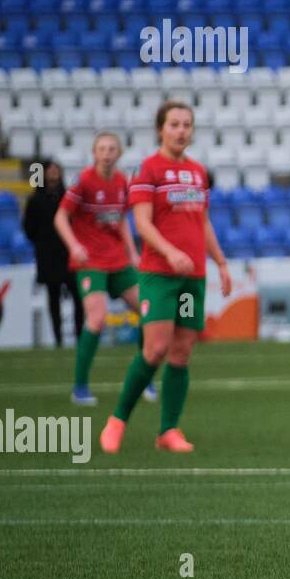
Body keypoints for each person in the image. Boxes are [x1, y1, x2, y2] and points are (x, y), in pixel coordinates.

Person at [100, 101, 231, 454]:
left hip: (193, 278)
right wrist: (171, 252)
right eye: (174, 124)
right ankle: (117, 420)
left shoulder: (198, 172)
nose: (181, 130)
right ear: (161, 129)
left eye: (187, 124)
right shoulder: (148, 170)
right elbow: (141, 222)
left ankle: (168, 431)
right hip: (160, 274)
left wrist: (220, 262)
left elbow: (202, 222)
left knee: (181, 351)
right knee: (155, 348)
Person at [54, 132, 156, 407]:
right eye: (102, 148)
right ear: (94, 152)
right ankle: (80, 387)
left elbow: (121, 219)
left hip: (118, 261)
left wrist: (132, 252)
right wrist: (74, 245)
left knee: (148, 310)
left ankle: (145, 379)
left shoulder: (123, 181)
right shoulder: (84, 181)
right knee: (97, 319)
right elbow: (61, 216)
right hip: (91, 263)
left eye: (112, 148)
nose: (107, 153)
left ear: (119, 153)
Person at [22, 159, 82, 349]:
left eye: (57, 169)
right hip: (47, 254)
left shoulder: (68, 197)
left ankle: (80, 337)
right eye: (51, 169)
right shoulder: (35, 199)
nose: (54, 172)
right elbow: (29, 227)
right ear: (44, 173)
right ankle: (58, 339)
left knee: (77, 295)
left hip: (68, 253)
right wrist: (42, 241)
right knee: (53, 296)